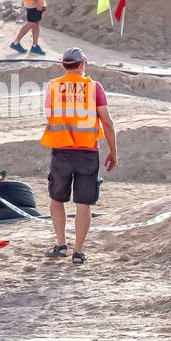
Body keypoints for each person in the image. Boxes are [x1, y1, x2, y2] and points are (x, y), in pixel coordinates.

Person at [39, 47, 118, 266]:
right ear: (82, 64)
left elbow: (49, 115)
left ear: (63, 65)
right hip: (87, 151)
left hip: (61, 150)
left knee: (57, 198)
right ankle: (78, 252)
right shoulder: (94, 88)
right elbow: (107, 122)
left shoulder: (53, 87)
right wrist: (113, 150)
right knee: (84, 203)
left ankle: (61, 243)